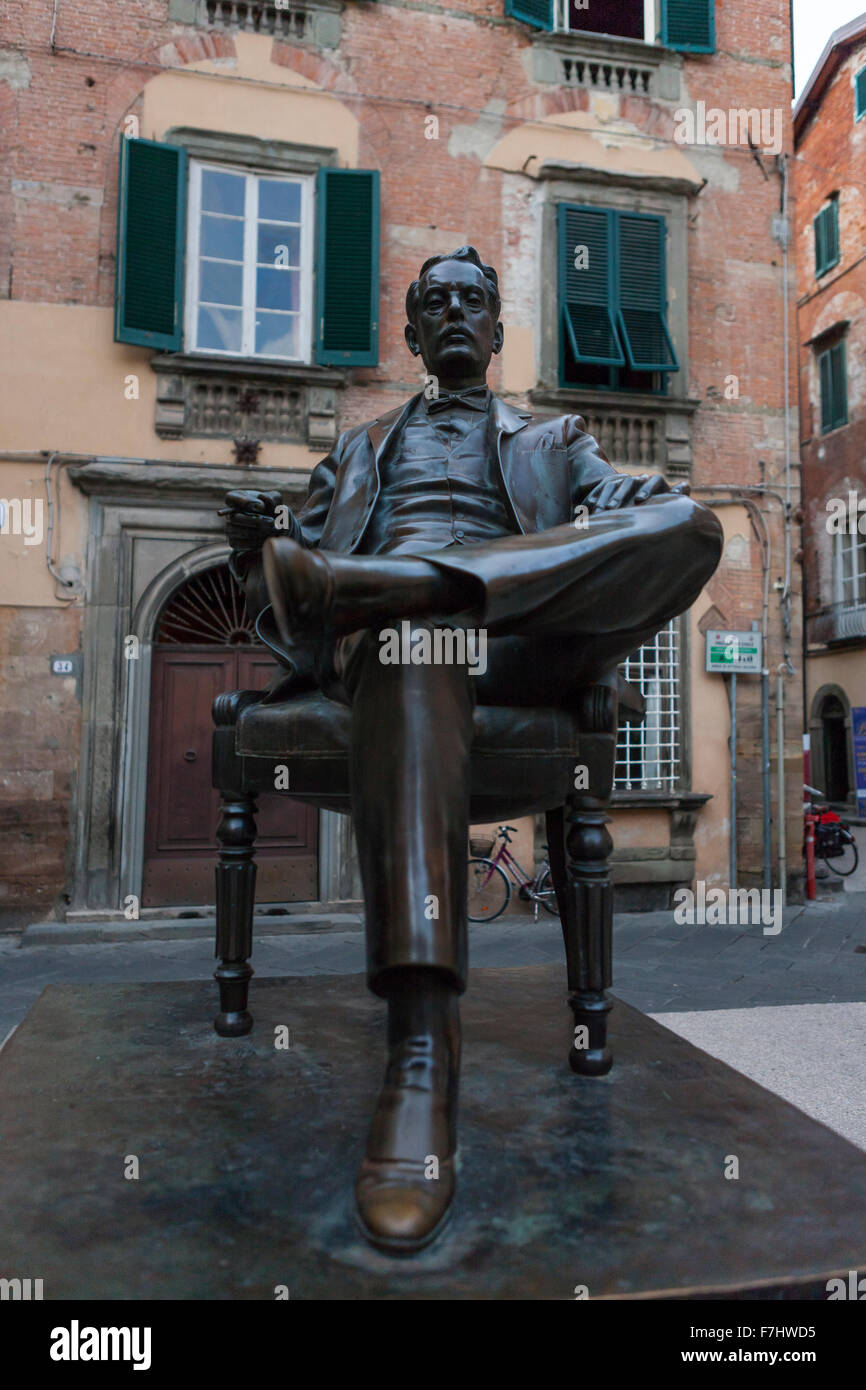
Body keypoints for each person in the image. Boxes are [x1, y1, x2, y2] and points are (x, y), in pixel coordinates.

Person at [223, 247, 723, 1254]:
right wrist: (251, 554)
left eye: (474, 301)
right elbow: (272, 594)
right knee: (414, 642)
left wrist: (635, 516)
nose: (455, 314)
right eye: (434, 303)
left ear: (496, 333)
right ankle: (420, 1050)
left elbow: (645, 526)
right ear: (412, 336)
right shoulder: (357, 451)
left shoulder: (555, 440)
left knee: (692, 521)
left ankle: (403, 584)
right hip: (403, 656)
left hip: (525, 646)